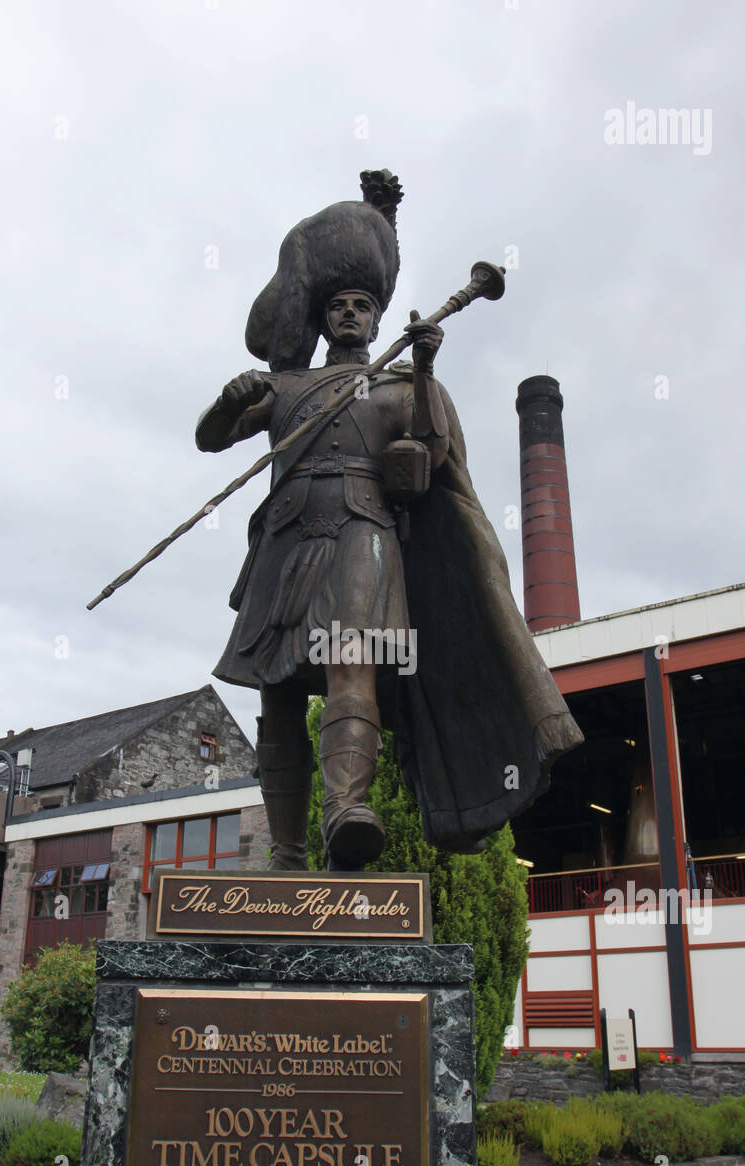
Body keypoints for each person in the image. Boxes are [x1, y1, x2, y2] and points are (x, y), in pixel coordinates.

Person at [196, 171, 583, 871]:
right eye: (338, 305)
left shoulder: (403, 385)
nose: (349, 314)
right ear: (320, 316)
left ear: (377, 319)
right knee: (279, 691)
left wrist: (429, 370)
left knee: (356, 668)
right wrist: (230, 401)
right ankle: (286, 851)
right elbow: (210, 438)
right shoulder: (286, 386)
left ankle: (349, 810)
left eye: (361, 306)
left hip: (362, 537)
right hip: (285, 539)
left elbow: (429, 464)